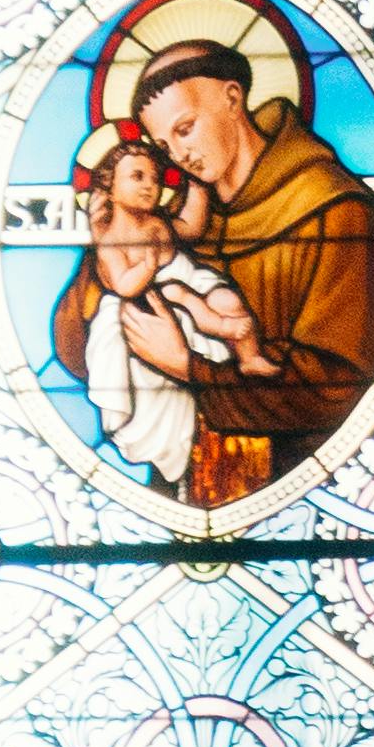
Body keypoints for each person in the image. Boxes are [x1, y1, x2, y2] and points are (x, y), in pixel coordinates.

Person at [127, 39, 374, 501]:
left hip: (306, 494)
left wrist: (188, 368)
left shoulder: (332, 208)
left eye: (186, 128)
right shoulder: (178, 225)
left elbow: (337, 388)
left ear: (233, 98)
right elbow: (79, 349)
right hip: (180, 484)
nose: (180, 155)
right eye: (165, 146)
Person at [51, 124, 271, 492]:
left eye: (154, 177)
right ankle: (176, 454)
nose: (149, 185)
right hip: (144, 301)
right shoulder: (110, 238)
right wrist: (149, 266)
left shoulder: (159, 222)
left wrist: (197, 185)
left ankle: (247, 355)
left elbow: (192, 228)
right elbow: (123, 285)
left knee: (227, 301)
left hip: (182, 283)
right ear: (109, 186)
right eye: (136, 176)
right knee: (175, 335)